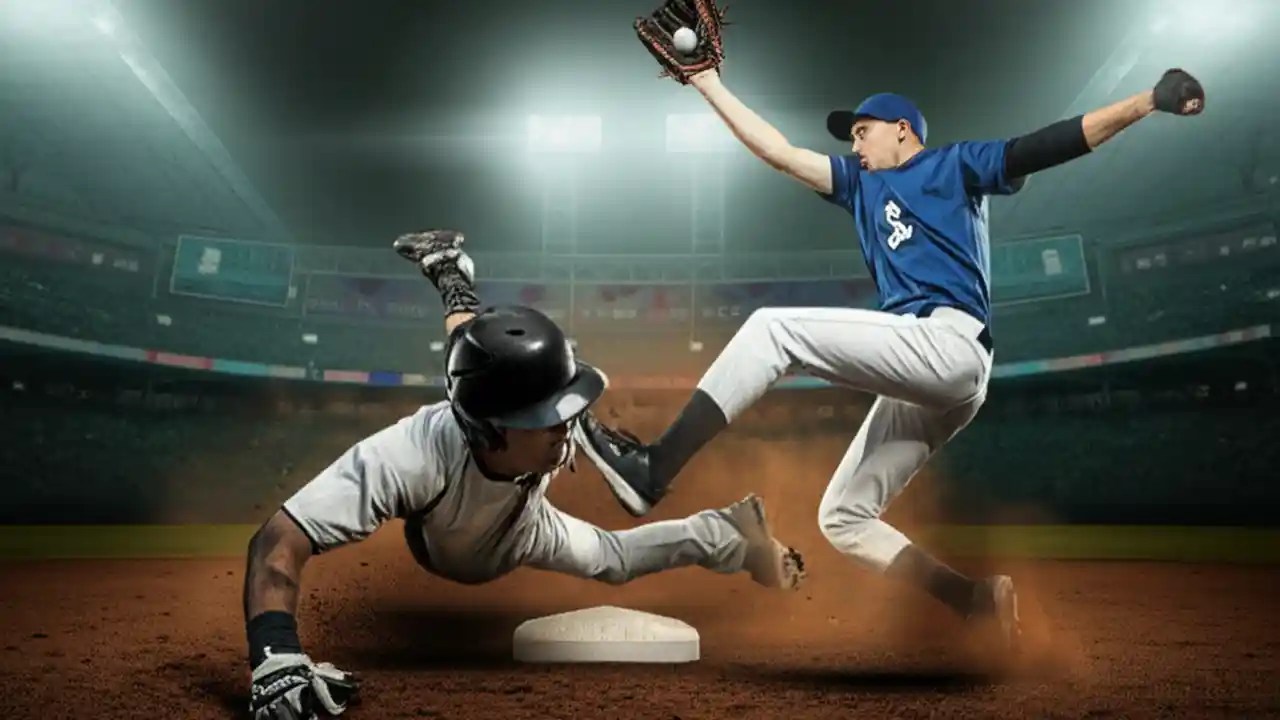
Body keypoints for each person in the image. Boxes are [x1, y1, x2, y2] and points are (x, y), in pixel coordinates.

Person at [576, 60, 1206, 647]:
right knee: (843, 517)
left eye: (863, 131)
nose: (854, 145)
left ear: (903, 131)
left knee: (773, 329)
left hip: (950, 341)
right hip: (936, 372)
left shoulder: (955, 166)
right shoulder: (859, 186)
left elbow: (1050, 143)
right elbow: (778, 152)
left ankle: (653, 469)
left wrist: (1148, 101)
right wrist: (708, 81)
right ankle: (973, 600)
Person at [241, 229, 805, 720]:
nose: (564, 427)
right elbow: (277, 540)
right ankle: (451, 274)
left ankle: (730, 536)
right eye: (547, 419)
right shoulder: (410, 457)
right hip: (452, 538)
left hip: (525, 515)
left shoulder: (531, 417)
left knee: (615, 558)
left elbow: (484, 353)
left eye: (567, 409)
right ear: (491, 431)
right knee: (477, 382)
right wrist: (275, 656)